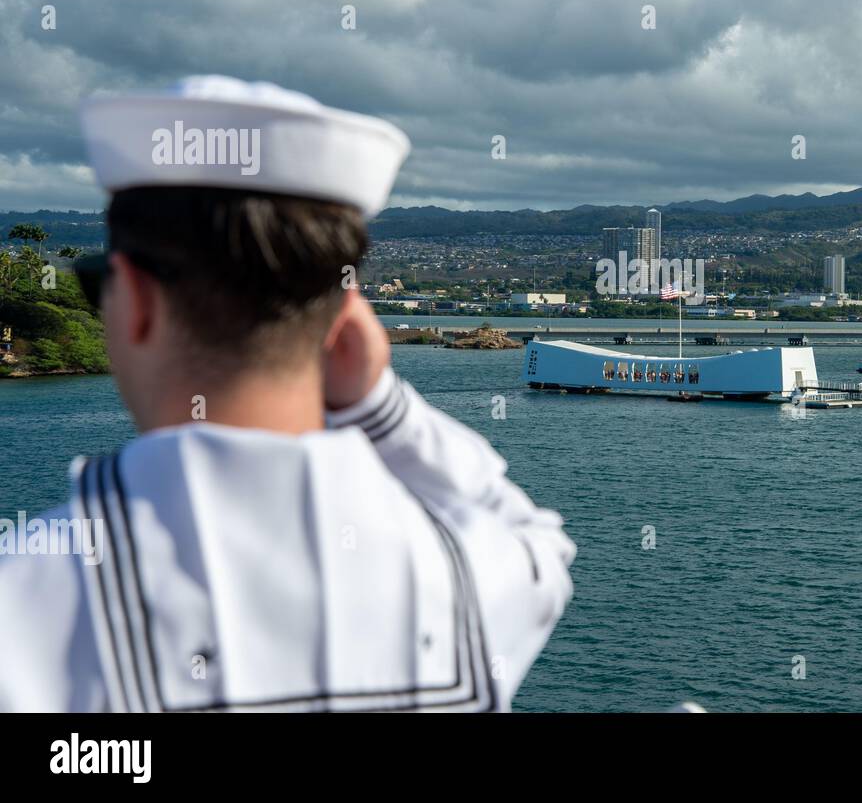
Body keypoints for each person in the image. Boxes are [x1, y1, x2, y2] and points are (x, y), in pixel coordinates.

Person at [0, 76, 575, 712]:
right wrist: (375, 405)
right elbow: (535, 537)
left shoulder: (23, 603)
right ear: (344, 318)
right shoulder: (467, 576)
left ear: (134, 302)